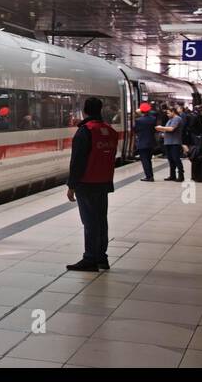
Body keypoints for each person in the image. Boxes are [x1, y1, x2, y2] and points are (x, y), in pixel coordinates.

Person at [65, 97, 120, 272]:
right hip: (103, 182)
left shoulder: (85, 131)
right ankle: (101, 257)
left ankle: (90, 258)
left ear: (85, 110)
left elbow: (77, 161)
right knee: (101, 220)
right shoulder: (109, 130)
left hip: (86, 183)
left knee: (89, 222)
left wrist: (71, 185)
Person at [156, 103, 185, 181]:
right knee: (171, 159)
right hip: (168, 142)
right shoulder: (170, 119)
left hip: (175, 142)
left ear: (173, 112)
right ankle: (172, 175)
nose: (167, 115)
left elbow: (171, 129)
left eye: (168, 113)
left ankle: (181, 175)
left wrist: (161, 128)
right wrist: (163, 133)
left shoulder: (177, 119)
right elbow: (167, 129)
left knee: (176, 159)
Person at [133, 101, 157, 181]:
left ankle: (149, 177)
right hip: (151, 142)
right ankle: (151, 176)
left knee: (145, 161)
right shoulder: (153, 119)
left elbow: (135, 130)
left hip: (142, 143)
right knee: (149, 160)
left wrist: (138, 114)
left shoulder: (138, 120)